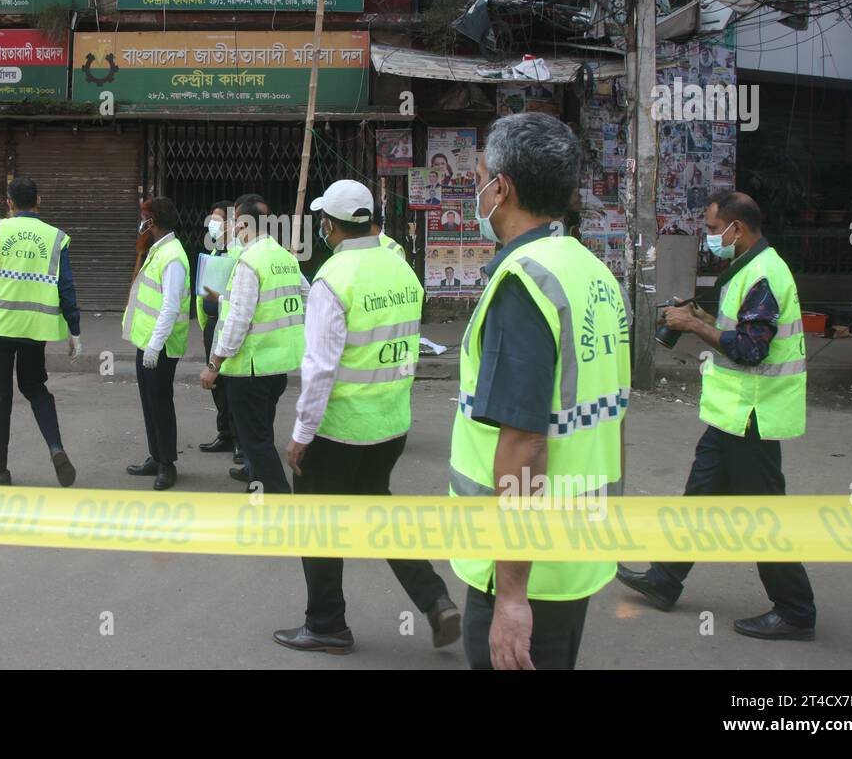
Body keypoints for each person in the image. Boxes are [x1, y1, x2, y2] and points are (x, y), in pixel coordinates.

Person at [450, 112, 630, 670]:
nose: (475, 187)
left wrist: (509, 598)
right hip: (575, 551)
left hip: (523, 568)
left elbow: (524, 442)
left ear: (499, 188)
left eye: (478, 175)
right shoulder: (593, 272)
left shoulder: (524, 283)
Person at [617, 190, 816, 640]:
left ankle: (796, 609)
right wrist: (703, 316)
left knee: (764, 517)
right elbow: (742, 330)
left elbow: (750, 349)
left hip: (752, 415)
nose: (710, 237)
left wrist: (694, 326)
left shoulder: (764, 274)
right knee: (699, 498)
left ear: (737, 229)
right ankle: (664, 581)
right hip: (733, 415)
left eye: (711, 229)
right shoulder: (750, 268)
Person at [277, 179, 460, 655]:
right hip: (390, 425)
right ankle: (434, 598)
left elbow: (319, 369)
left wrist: (300, 434)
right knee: (379, 510)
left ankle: (326, 624)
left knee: (318, 524)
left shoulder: (332, 279)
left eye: (323, 221)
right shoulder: (402, 271)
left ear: (331, 226)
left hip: (339, 431)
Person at [0, 177, 82, 488]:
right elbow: (66, 288)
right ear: (39, 201)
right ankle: (56, 447)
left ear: (9, 203)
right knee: (35, 388)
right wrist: (74, 331)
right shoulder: (55, 237)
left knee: (0, 395)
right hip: (33, 329)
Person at [200, 195, 306, 495]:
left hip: (250, 368)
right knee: (262, 431)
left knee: (254, 440)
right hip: (278, 367)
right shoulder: (284, 256)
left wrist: (214, 365)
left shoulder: (249, 260)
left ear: (245, 224)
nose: (233, 228)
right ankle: (257, 483)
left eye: (236, 223)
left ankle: (278, 496)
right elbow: (306, 295)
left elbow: (238, 320)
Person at [124, 197, 191, 491]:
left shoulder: (173, 257)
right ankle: (155, 455)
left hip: (160, 345)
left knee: (161, 404)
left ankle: (167, 464)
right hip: (148, 342)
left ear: (152, 221)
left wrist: (154, 345)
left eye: (143, 217)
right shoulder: (158, 249)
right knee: (149, 403)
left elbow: (170, 306)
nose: (141, 222)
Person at [196, 201, 238, 456]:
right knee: (217, 386)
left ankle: (238, 440)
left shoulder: (238, 253)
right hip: (212, 327)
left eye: (218, 218)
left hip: (229, 327)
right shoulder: (214, 251)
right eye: (211, 217)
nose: (212, 222)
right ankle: (225, 434)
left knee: (232, 386)